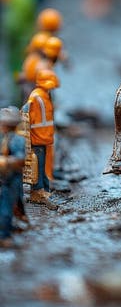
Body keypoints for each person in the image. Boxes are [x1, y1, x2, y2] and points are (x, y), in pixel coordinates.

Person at [0, 0, 38, 95]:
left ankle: (22, 102)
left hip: (22, 42)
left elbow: (13, 25)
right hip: (18, 43)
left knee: (21, 72)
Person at [23, 68, 59, 209]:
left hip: (43, 139)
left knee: (41, 168)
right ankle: (37, 194)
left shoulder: (44, 95)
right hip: (37, 140)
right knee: (37, 169)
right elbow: (25, 116)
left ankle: (43, 192)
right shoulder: (36, 97)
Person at [0, 106, 28, 247]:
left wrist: (4, 161)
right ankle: (8, 227)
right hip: (5, 177)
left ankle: (4, 236)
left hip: (13, 177)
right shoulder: (4, 138)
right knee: (9, 203)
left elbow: (20, 159)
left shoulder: (17, 140)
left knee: (6, 206)